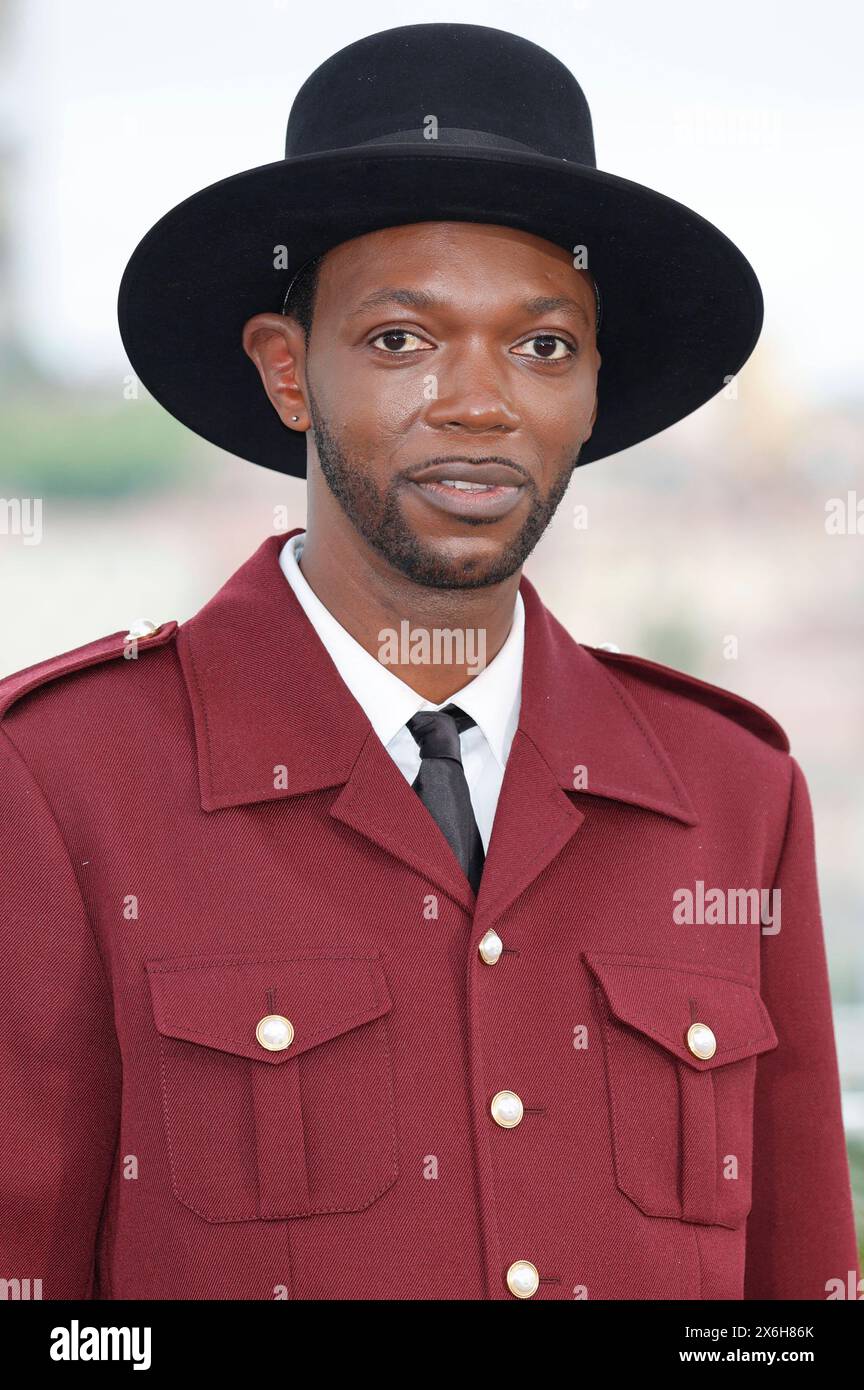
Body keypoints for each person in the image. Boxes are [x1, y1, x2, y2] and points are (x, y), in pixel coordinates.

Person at [1, 22, 858, 1301]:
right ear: (287, 372)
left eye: (543, 345)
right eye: (402, 339)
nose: (479, 401)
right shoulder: (60, 780)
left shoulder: (734, 796)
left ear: (591, 388)